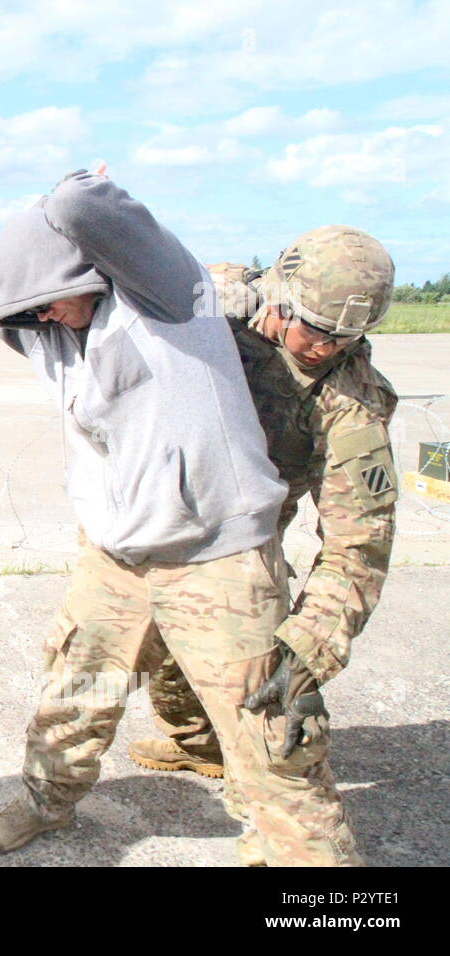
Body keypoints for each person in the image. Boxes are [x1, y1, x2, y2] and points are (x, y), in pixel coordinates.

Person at [0, 169, 363, 866]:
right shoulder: (47, 330)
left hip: (218, 558)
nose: (40, 315)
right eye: (32, 305)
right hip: (115, 556)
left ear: (91, 268)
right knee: (73, 693)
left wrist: (63, 199)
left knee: (269, 732)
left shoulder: (170, 300)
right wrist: (35, 237)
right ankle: (45, 801)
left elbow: (83, 205)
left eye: (50, 297)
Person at [127, 229, 398, 864]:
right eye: (313, 328)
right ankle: (194, 740)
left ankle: (278, 836)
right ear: (276, 299)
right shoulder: (214, 303)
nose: (324, 347)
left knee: (271, 702)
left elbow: (360, 544)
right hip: (161, 513)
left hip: (250, 536)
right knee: (139, 650)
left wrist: (308, 650)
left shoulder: (350, 401)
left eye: (344, 337)